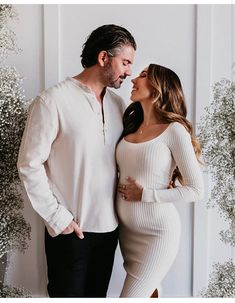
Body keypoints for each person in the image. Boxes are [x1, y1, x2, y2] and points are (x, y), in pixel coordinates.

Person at [17, 24, 136, 298]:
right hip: (71, 232)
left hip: (111, 231)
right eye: (125, 62)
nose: (129, 72)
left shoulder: (119, 105)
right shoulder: (52, 101)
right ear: (103, 57)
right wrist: (58, 219)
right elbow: (29, 164)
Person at [116, 64, 204, 297]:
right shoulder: (129, 127)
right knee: (148, 293)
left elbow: (196, 190)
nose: (134, 79)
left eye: (143, 75)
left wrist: (146, 194)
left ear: (160, 86)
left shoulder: (174, 131)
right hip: (127, 234)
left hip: (156, 234)